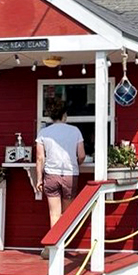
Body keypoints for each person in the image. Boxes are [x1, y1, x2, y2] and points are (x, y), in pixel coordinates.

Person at [35, 99, 85, 257]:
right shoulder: (75, 131)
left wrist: (39, 179)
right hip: (70, 175)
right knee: (67, 214)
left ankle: (53, 249)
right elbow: (82, 155)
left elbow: (40, 158)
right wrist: (75, 163)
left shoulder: (43, 133)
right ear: (64, 115)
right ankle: (62, 245)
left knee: (54, 214)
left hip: (51, 175)